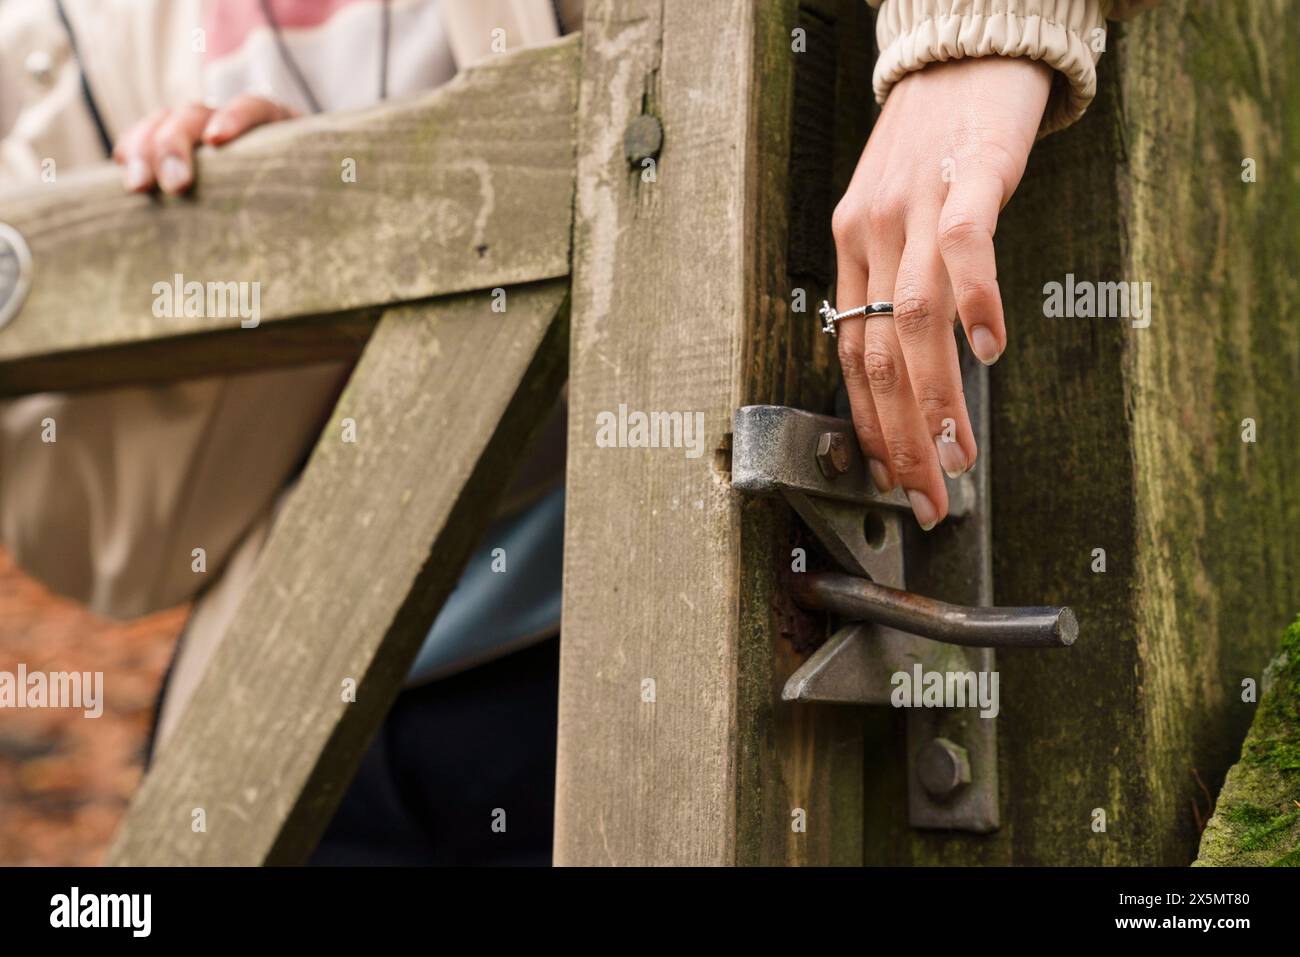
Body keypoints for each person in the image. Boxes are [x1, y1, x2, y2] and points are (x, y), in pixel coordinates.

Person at [1, 0, 1155, 863]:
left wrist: (975, 34)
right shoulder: (53, 34)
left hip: (632, 680)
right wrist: (282, 233)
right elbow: (89, 535)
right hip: (281, 706)